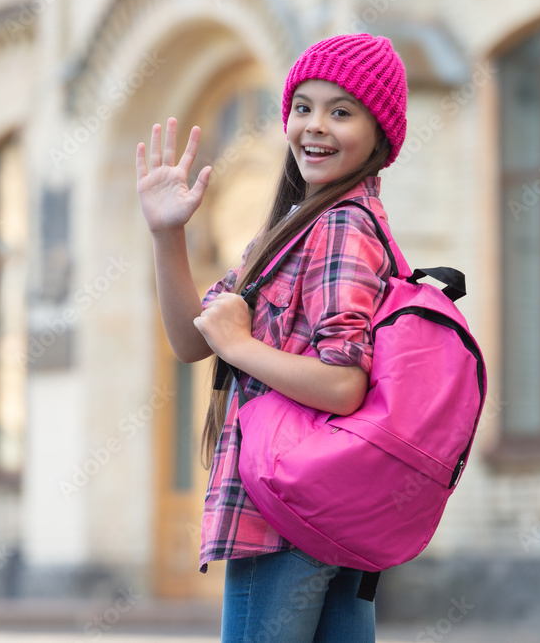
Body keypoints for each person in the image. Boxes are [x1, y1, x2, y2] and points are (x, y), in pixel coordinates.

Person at [136, 34, 408, 642]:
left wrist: (241, 346)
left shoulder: (341, 226)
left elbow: (344, 383)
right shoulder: (296, 229)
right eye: (303, 107)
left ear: (379, 132)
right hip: (324, 514)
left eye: (341, 111)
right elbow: (192, 339)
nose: (315, 126)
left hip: (285, 514)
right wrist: (166, 235)